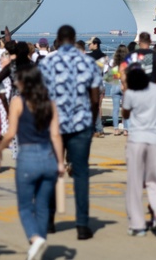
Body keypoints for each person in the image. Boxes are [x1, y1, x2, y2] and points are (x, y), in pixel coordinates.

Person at [0, 65, 65, 260]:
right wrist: (60, 162)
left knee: (25, 206)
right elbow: (56, 135)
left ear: (24, 82)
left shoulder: (18, 102)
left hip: (27, 157)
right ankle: (39, 245)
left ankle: (35, 240)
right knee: (42, 206)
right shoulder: (50, 103)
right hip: (48, 157)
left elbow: (10, 134)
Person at [39, 24, 102, 240]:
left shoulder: (47, 62)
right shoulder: (87, 62)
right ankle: (82, 225)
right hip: (80, 124)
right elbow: (95, 98)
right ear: (74, 39)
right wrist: (91, 122)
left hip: (53, 126)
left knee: (51, 173)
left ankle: (49, 221)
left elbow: (39, 97)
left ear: (58, 40)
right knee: (81, 173)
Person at [120, 65, 156, 236]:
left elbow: (126, 114)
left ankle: (137, 225)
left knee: (135, 182)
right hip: (154, 139)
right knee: (155, 179)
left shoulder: (130, 93)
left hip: (136, 139)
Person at [103, 45, 128, 135]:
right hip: (124, 85)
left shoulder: (114, 62)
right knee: (125, 109)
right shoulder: (127, 62)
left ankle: (116, 129)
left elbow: (109, 77)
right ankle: (126, 129)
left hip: (115, 85)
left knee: (115, 109)